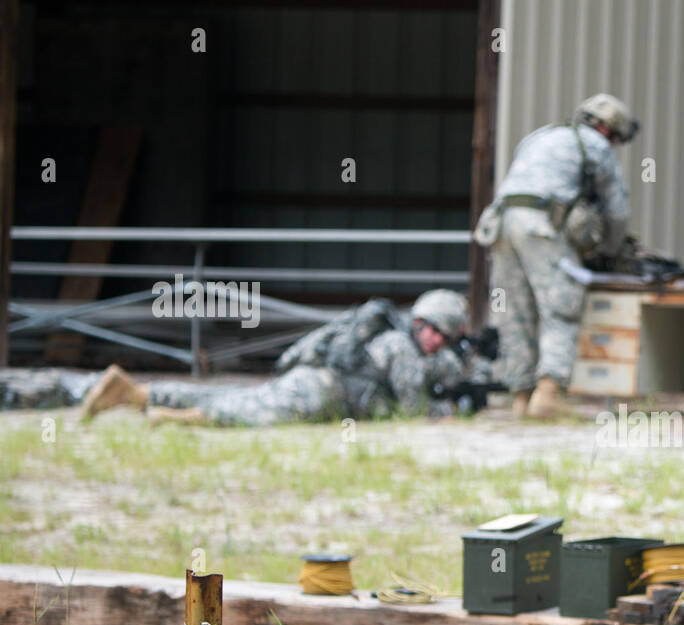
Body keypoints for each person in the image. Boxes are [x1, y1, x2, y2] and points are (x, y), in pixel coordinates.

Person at [76, 291, 483, 426]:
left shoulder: (392, 339)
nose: (438, 345)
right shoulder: (400, 348)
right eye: (439, 336)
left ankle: (141, 396)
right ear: (425, 326)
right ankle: (153, 407)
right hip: (320, 392)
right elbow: (412, 410)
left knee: (236, 401)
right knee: (246, 412)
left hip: (316, 382)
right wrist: (452, 408)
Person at [474, 93, 635, 419]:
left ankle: (520, 398)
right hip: (541, 226)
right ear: (608, 129)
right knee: (562, 305)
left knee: (516, 313)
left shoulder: (541, 136)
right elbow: (617, 211)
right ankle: (549, 394)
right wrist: (609, 251)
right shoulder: (595, 145)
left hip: (501, 223)